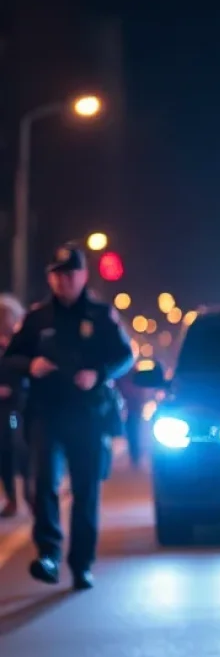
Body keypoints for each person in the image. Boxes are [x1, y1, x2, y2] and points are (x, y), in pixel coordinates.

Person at [2, 245, 135, 588]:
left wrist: (98, 373)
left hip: (88, 415)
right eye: (58, 274)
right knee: (44, 482)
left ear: (83, 275)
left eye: (70, 274)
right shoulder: (37, 318)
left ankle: (81, 564)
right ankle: (48, 553)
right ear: (50, 277)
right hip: (46, 413)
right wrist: (30, 365)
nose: (64, 281)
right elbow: (10, 359)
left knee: (85, 489)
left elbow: (125, 357)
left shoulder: (100, 315)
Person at [0, 294, 27, 516]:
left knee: (23, 450)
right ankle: (12, 498)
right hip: (3, 408)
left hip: (22, 406)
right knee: (5, 454)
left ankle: (30, 492)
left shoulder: (22, 343)